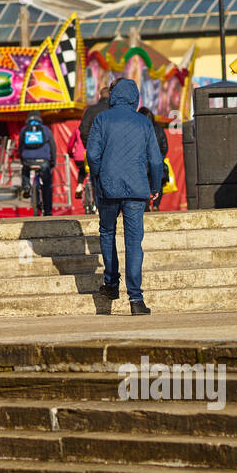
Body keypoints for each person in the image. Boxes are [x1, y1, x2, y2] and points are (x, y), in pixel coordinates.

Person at [87, 78, 162, 316]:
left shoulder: (101, 119)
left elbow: (92, 154)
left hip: (108, 187)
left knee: (108, 232)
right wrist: (155, 185)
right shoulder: (143, 122)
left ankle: (111, 283)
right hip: (137, 190)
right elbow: (156, 160)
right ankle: (136, 300)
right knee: (133, 242)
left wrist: (99, 177)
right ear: (134, 97)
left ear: (113, 95)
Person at [18, 113, 56, 216]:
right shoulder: (46, 129)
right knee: (47, 185)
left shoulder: (24, 130)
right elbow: (52, 146)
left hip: (28, 160)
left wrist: (22, 159)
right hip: (43, 161)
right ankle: (48, 211)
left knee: (25, 170)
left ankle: (26, 186)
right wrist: (53, 161)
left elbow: (20, 146)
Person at [138, 106, 170, 212]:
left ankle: (146, 207)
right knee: (157, 183)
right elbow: (165, 146)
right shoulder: (158, 129)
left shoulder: (137, 129)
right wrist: (160, 157)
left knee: (144, 186)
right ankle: (156, 205)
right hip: (156, 161)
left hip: (141, 164)